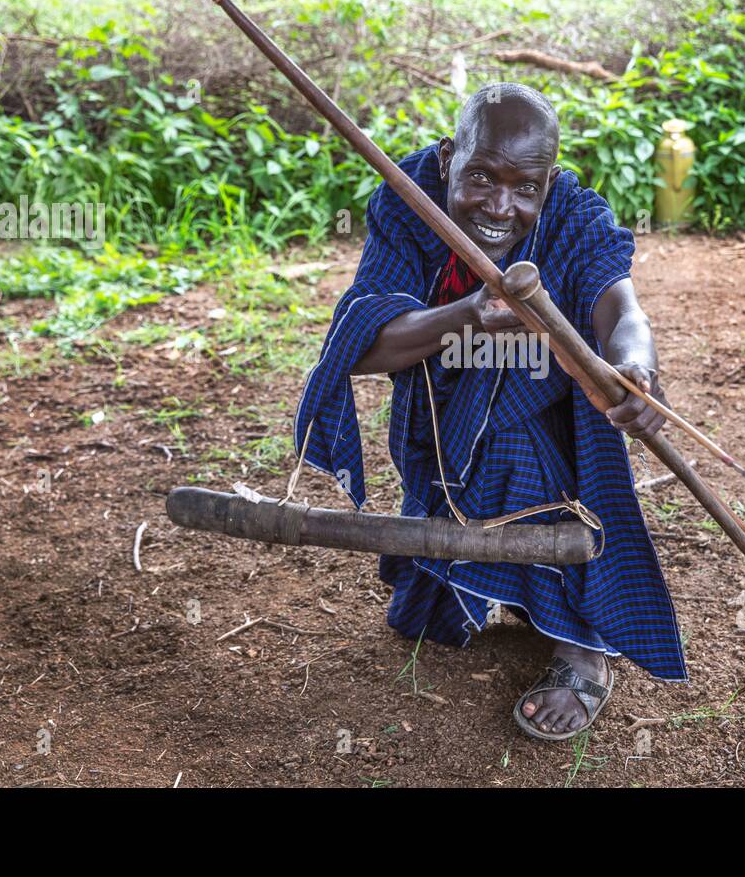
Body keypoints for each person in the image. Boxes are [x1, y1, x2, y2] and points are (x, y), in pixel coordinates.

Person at [294, 82, 686, 740]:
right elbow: (365, 346)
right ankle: (511, 596)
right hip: (437, 419)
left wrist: (634, 364)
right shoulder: (405, 199)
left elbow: (621, 308)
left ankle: (583, 644)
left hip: (545, 411)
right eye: (481, 178)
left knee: (521, 465)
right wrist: (464, 316)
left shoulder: (575, 216)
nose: (501, 206)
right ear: (448, 157)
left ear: (548, 181)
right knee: (425, 618)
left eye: (524, 187)